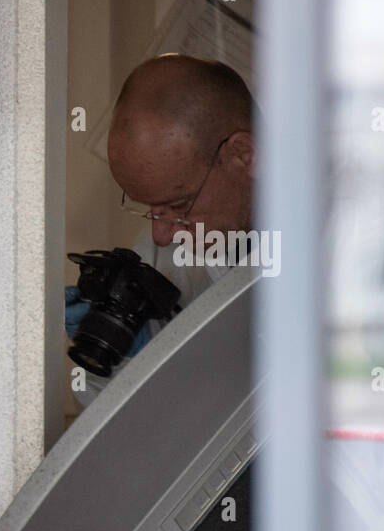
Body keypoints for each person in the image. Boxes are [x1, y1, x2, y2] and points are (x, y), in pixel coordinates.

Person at [67, 54, 259, 404]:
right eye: (152, 210)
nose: (161, 235)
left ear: (244, 154)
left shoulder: (356, 233)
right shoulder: (166, 249)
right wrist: (117, 362)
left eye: (179, 206)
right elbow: (121, 421)